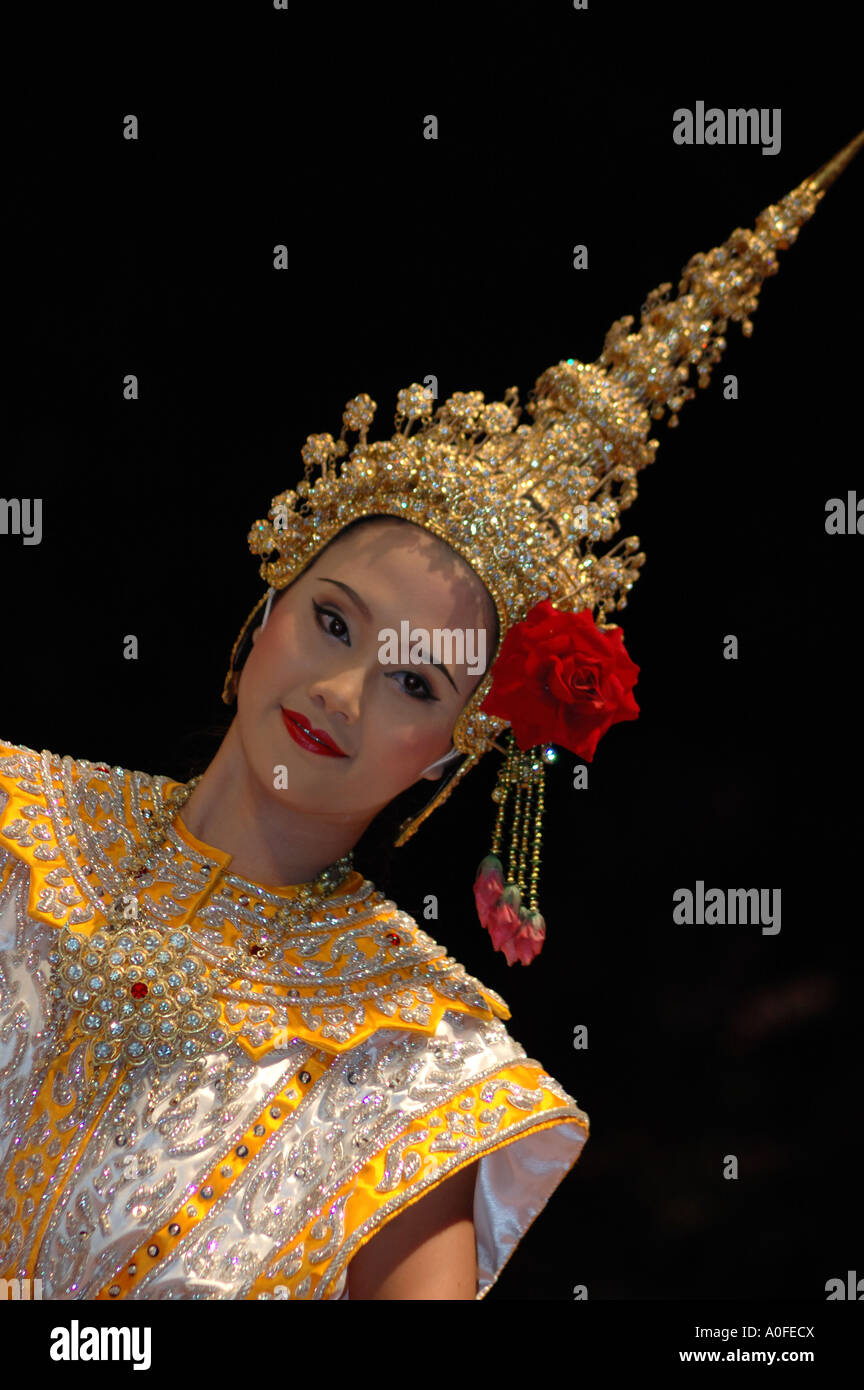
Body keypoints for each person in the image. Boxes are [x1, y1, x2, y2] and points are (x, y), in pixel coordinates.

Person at [0, 129, 860, 1301]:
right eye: (336, 624)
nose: (341, 693)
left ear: (461, 750)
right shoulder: (17, 816)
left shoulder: (421, 1070)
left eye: (414, 682)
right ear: (271, 600)